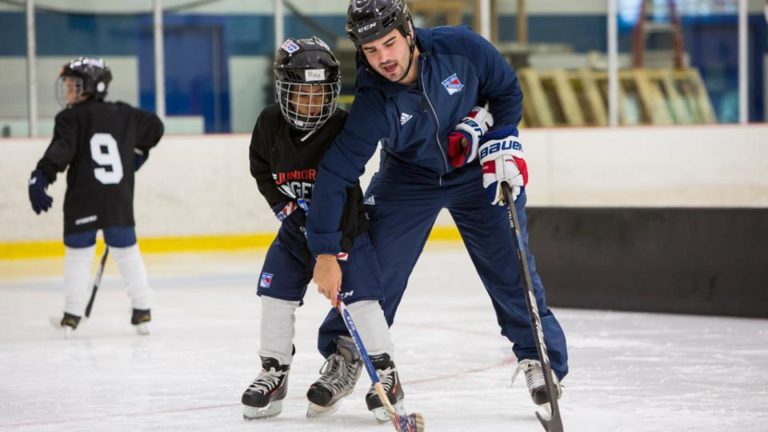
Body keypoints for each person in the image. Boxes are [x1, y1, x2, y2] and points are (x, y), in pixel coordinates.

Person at [308, 0, 569, 408]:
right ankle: (347, 352)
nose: (384, 59)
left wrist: (501, 134)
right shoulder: (375, 99)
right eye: (371, 50)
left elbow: (506, 91)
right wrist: (325, 249)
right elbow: (337, 172)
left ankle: (540, 357)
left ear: (409, 31)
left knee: (510, 263)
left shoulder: (463, 48)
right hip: (408, 177)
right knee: (374, 262)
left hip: (475, 170)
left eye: (389, 44)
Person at [241, 36, 403, 422]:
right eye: (302, 94)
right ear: (283, 90)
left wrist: (331, 252)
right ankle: (274, 372)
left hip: (345, 232)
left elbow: (345, 194)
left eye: (320, 93)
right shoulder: (268, 124)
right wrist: (287, 212)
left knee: (363, 302)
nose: (312, 103)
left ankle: (386, 375)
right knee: (274, 295)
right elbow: (262, 170)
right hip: (295, 234)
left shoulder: (343, 127)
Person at [28, 57, 163, 337]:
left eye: (73, 84)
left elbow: (60, 153)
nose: (67, 90)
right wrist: (136, 155)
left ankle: (73, 314)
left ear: (91, 86)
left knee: (78, 254)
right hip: (118, 198)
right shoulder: (126, 114)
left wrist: (41, 176)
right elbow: (155, 128)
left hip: (83, 198)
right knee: (126, 251)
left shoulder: (70, 118)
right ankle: (143, 309)